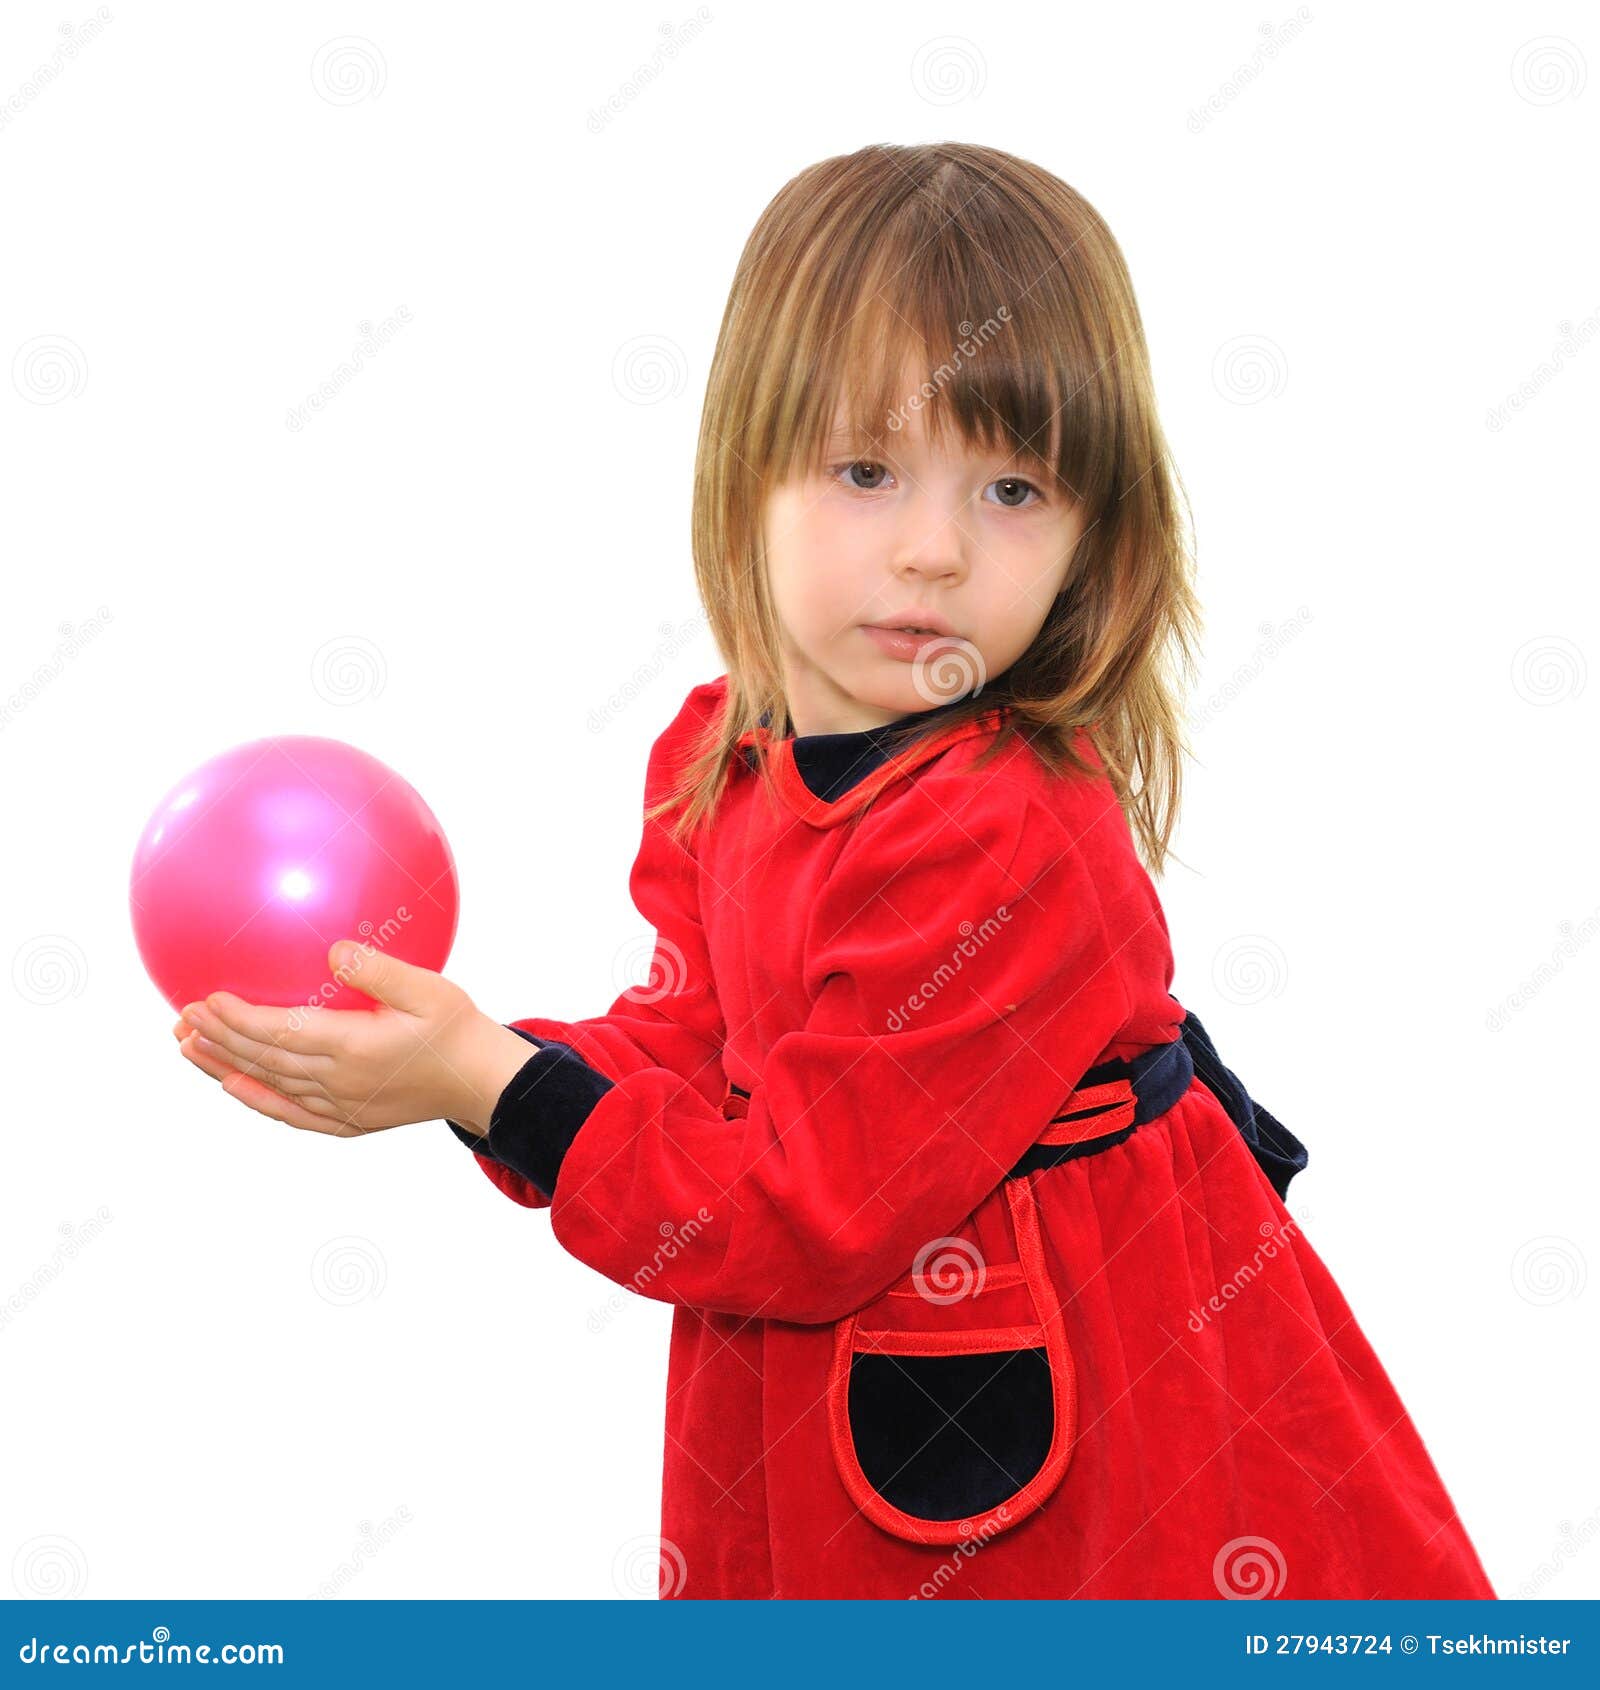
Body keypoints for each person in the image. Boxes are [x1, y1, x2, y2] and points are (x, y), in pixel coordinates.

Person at [173, 142, 1495, 1602]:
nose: (931, 550)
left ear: (1090, 537)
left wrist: (489, 1082)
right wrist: (465, 1059)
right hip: (853, 1377)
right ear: (750, 466)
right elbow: (696, 1049)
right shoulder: (726, 750)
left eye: (1012, 489)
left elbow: (808, 1208)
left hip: (1076, 1425)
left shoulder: (1003, 834)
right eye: (867, 471)